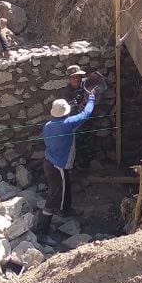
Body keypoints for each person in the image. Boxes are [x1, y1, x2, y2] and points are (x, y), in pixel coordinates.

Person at [37, 91, 96, 240]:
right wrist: (91, 98)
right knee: (53, 196)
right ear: (65, 114)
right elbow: (86, 114)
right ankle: (42, 232)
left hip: (49, 162)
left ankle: (66, 209)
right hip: (57, 167)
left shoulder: (48, 125)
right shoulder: (67, 125)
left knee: (66, 185)